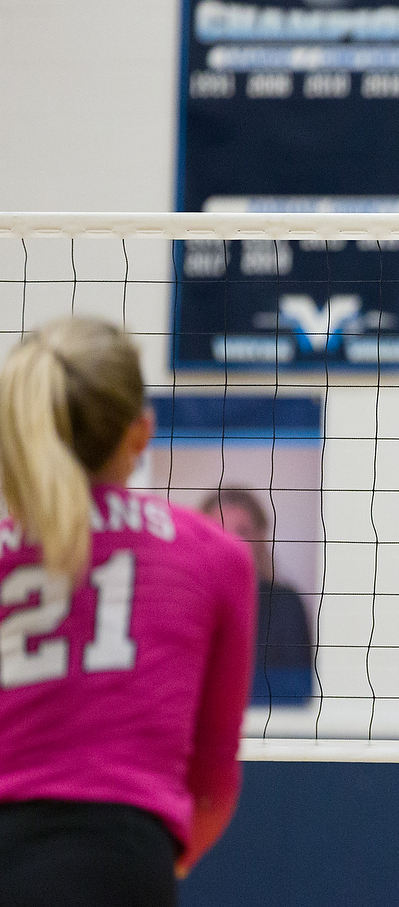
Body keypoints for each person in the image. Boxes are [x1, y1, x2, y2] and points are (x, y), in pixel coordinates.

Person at [0, 316, 257, 905]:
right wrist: (162, 860)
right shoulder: (216, 556)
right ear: (141, 434)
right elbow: (214, 782)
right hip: (127, 861)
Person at [200, 487, 315, 705]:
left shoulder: (286, 604)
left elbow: (297, 687)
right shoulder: (187, 604)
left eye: (242, 531)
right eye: (218, 530)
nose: (229, 542)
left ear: (260, 538)